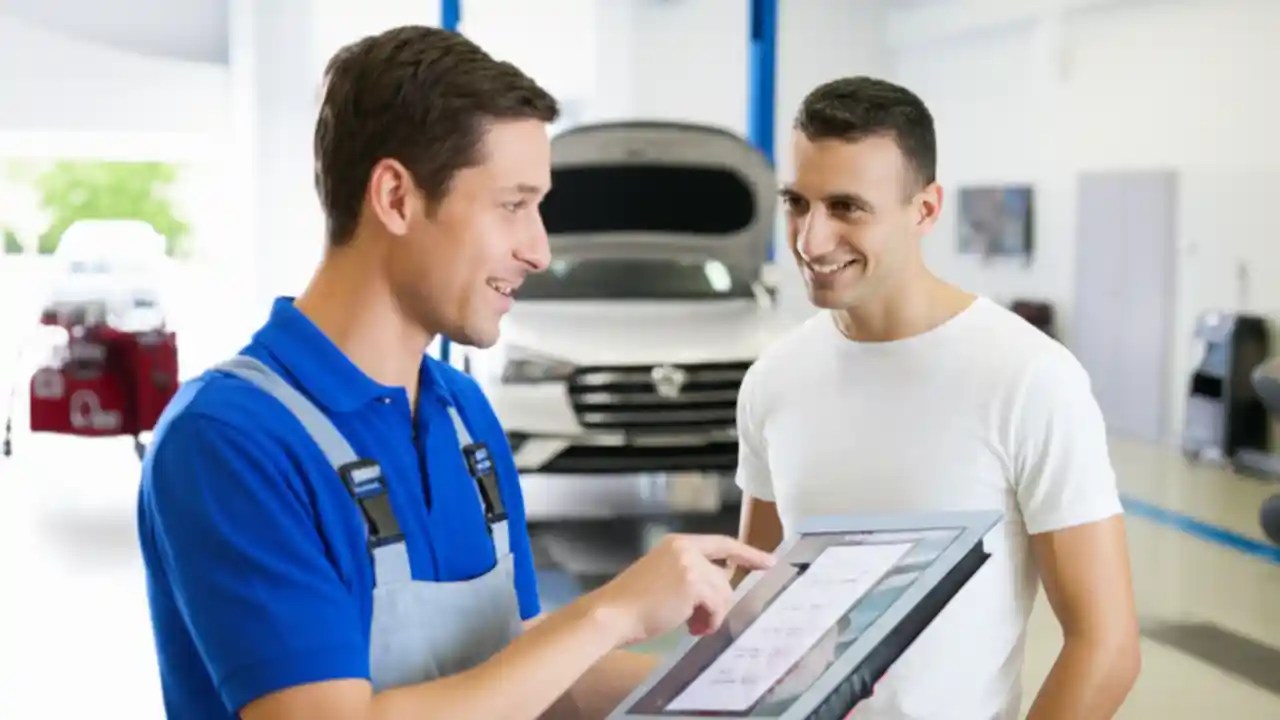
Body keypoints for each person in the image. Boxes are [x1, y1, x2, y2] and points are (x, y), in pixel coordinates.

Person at [136, 26, 773, 720]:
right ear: (396, 198)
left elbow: (533, 672)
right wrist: (609, 615)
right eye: (512, 205)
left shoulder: (463, 414)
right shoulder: (229, 441)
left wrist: (755, 691)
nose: (538, 249)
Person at [733, 76, 1141, 719]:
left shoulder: (1028, 377)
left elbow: (1106, 645)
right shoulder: (774, 379)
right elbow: (756, 594)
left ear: (924, 210)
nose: (810, 241)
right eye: (797, 203)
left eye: (846, 207)